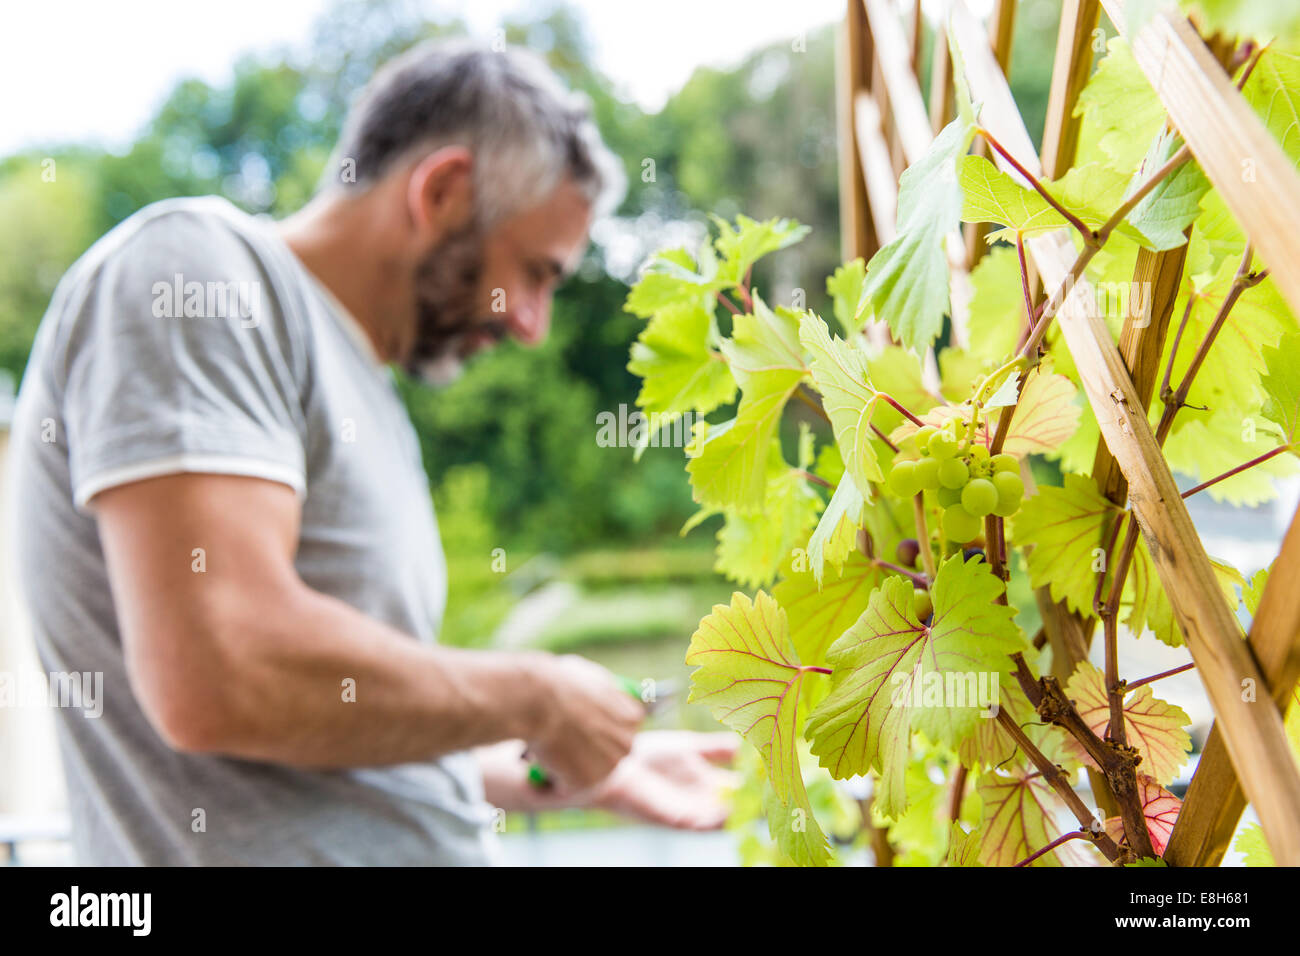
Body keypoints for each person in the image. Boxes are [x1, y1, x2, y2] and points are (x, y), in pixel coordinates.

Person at [9, 37, 736, 866]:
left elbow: (351, 734)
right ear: (443, 190)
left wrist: (572, 771)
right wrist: (536, 694)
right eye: (534, 274)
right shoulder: (198, 272)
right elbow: (220, 670)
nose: (532, 327)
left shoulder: (370, 394)